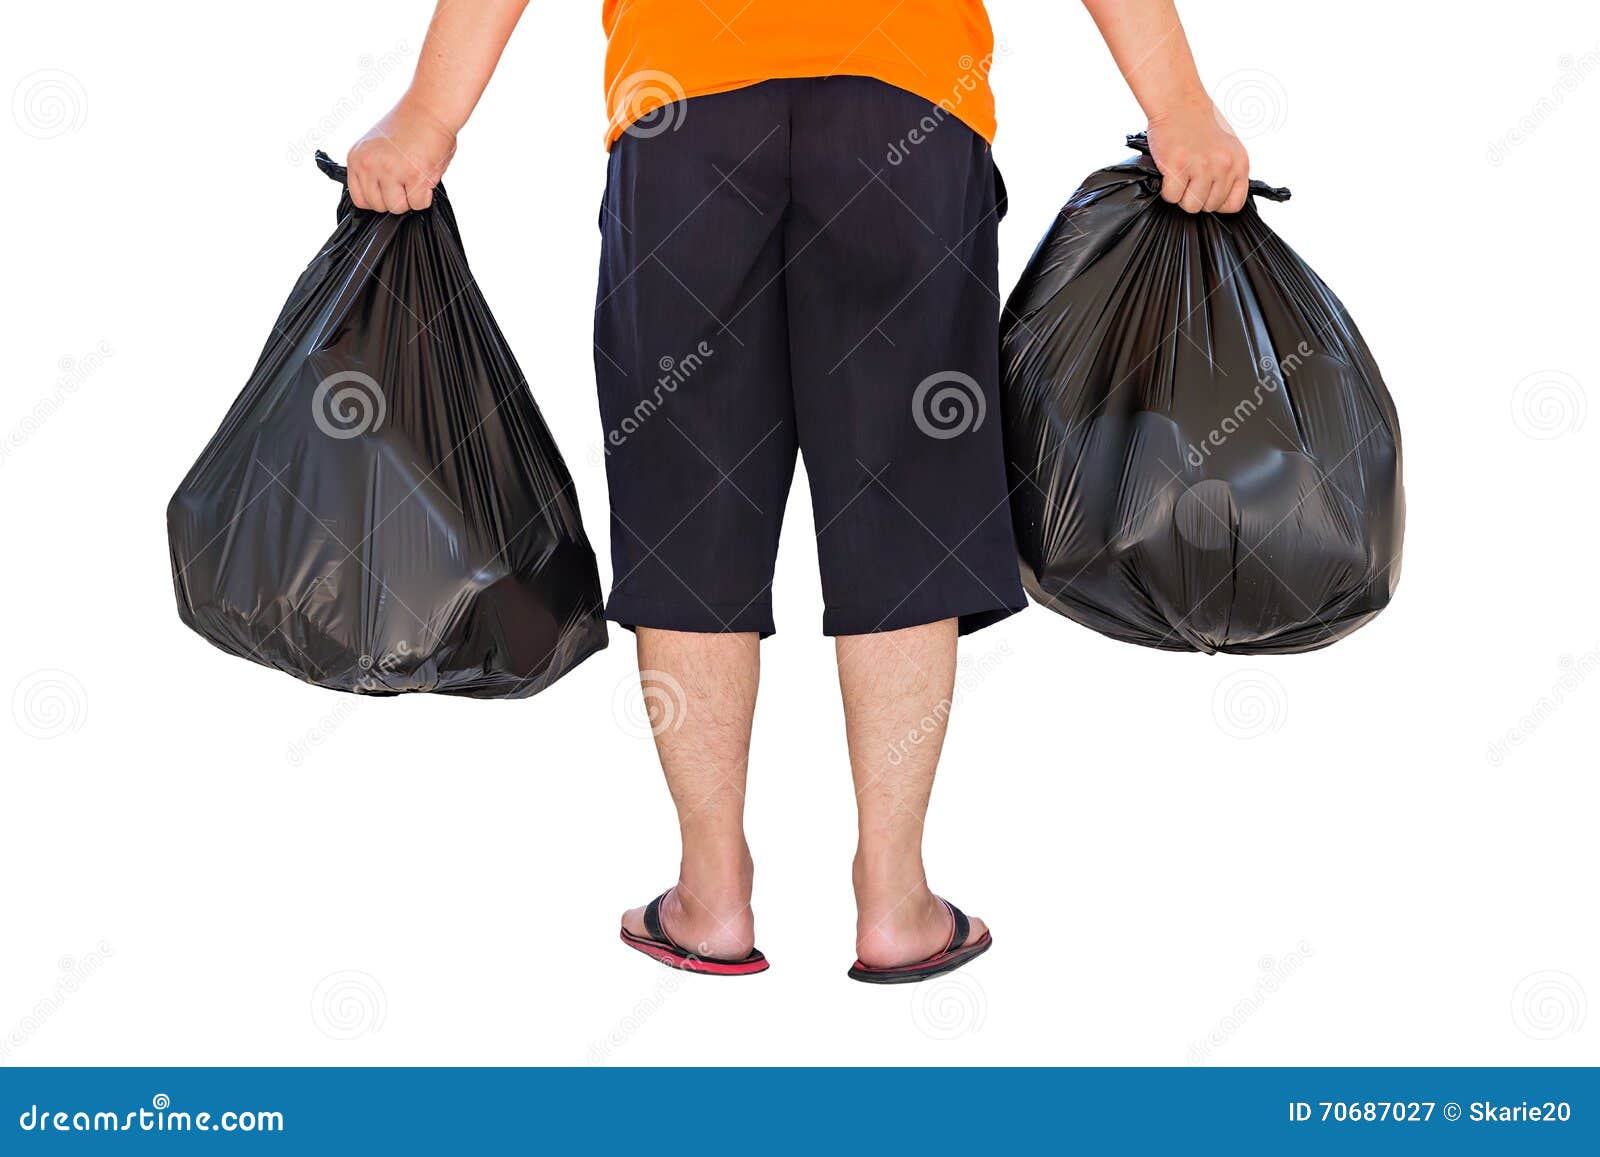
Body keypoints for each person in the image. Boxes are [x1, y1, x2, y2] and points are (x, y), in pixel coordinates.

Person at [347, 0, 1249, 982]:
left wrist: (428, 119)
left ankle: (710, 893)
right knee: (909, 507)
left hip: (685, 111)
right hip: (901, 100)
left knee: (687, 503)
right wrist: (1180, 107)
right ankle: (897, 900)